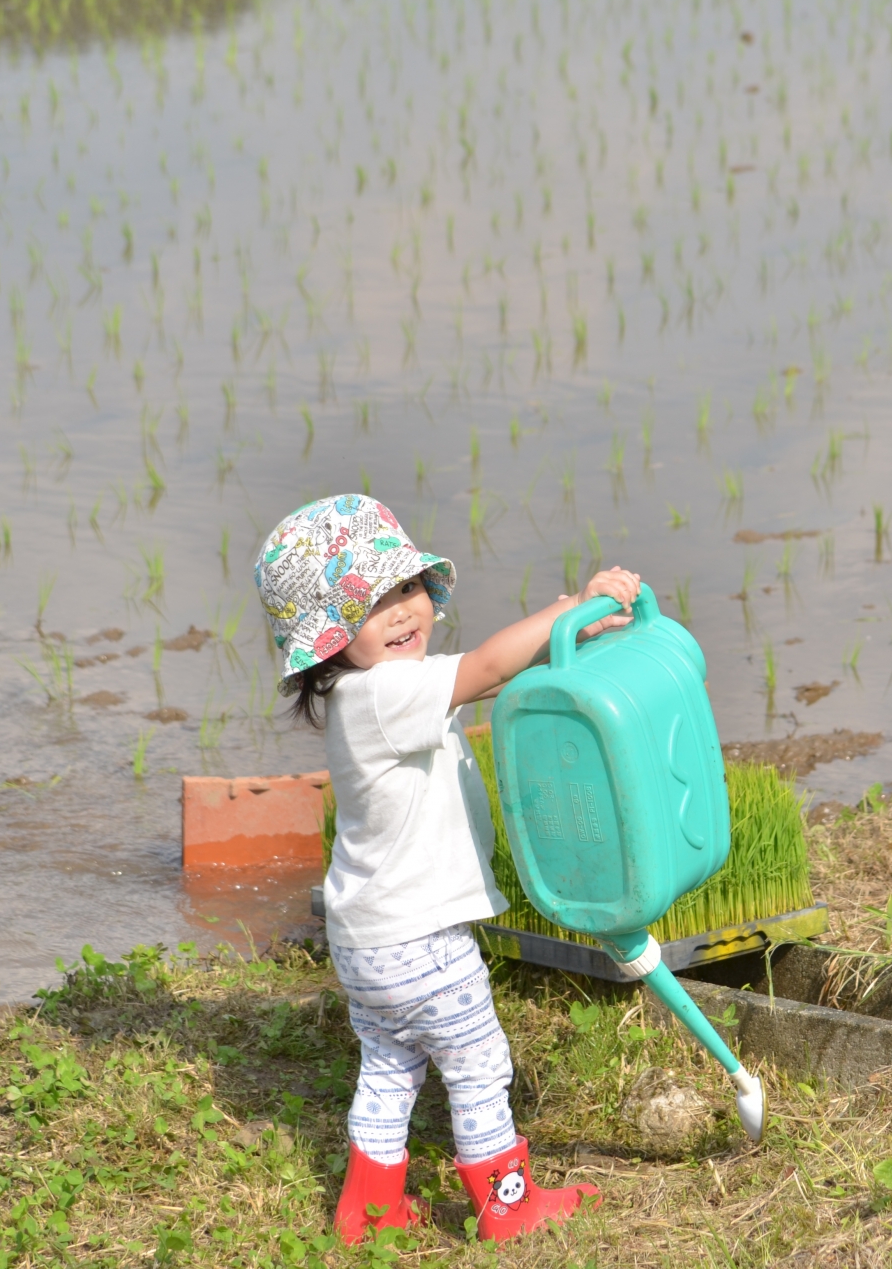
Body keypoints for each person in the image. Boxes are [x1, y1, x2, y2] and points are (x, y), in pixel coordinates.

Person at [254, 494, 638, 1246]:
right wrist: (574, 608)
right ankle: (506, 1202)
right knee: (478, 1062)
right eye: (372, 606)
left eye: (407, 590)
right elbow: (488, 663)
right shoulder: (386, 692)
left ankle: (369, 1210)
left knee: (392, 1068)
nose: (402, 613)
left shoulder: (366, 693)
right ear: (328, 643)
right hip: (421, 937)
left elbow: (482, 678)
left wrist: (566, 626)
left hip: (369, 941)